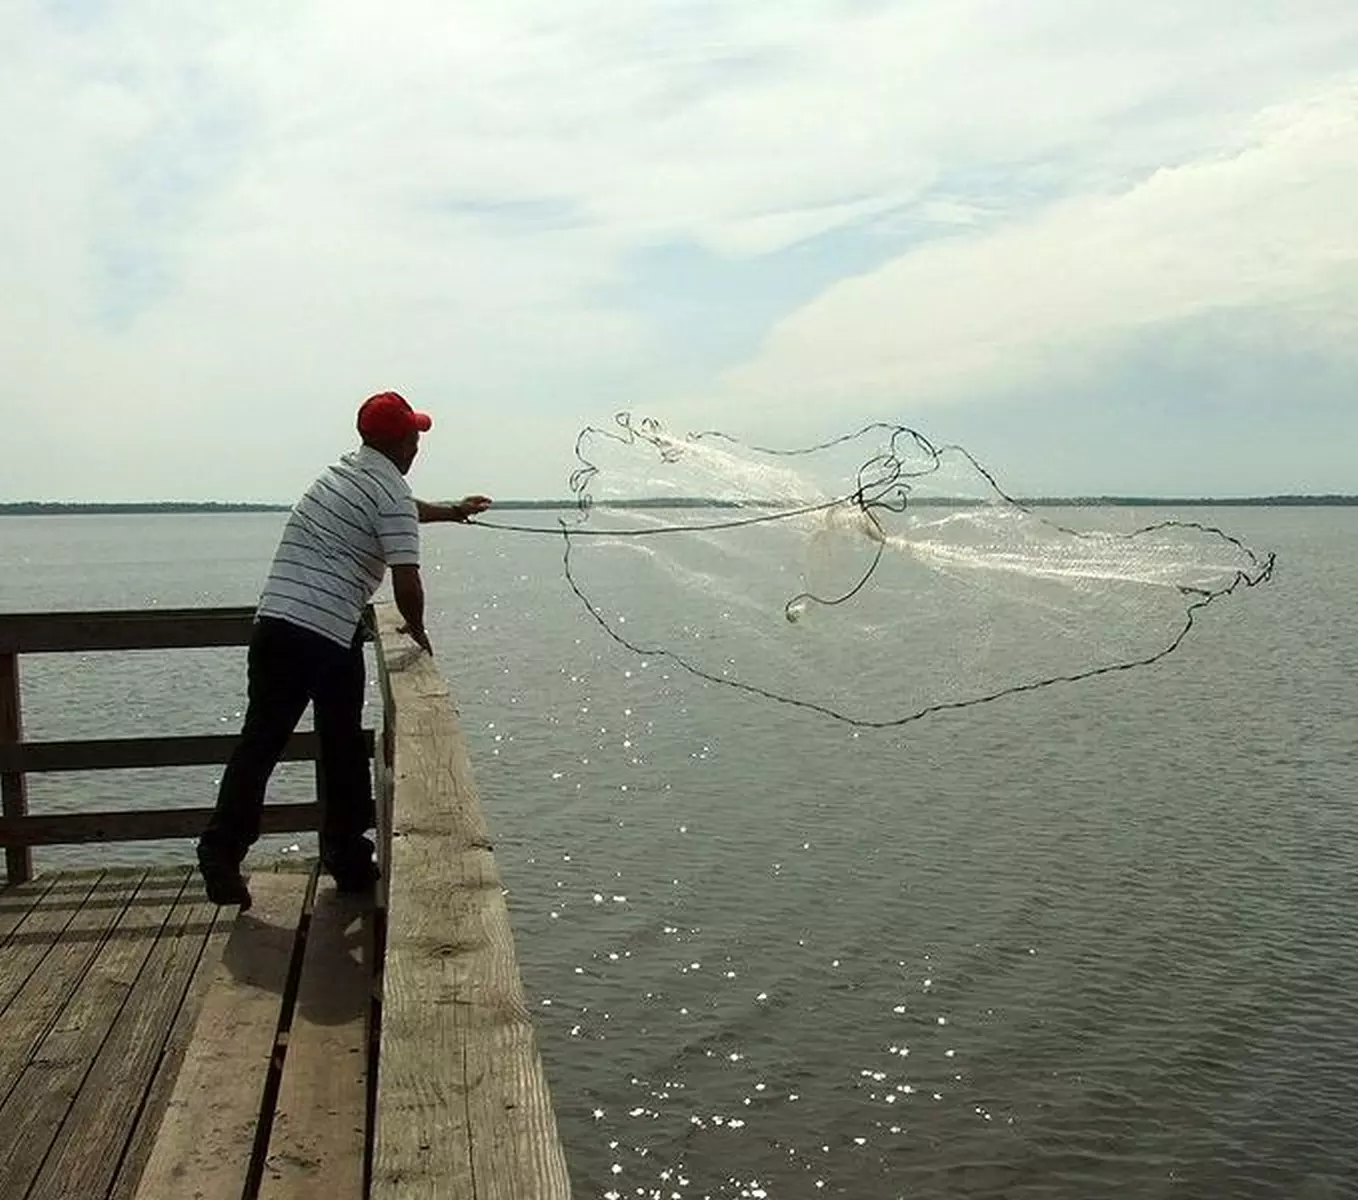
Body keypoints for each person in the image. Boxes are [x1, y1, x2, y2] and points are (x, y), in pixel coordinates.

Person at [196, 390, 492, 910]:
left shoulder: (341, 475)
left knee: (259, 744)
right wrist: (419, 630)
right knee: (343, 750)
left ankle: (220, 851)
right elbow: (407, 579)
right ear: (402, 443)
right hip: (327, 636)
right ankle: (349, 860)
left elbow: (397, 515)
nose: (419, 445)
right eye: (415, 436)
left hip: (274, 625)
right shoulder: (391, 493)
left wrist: (451, 511)